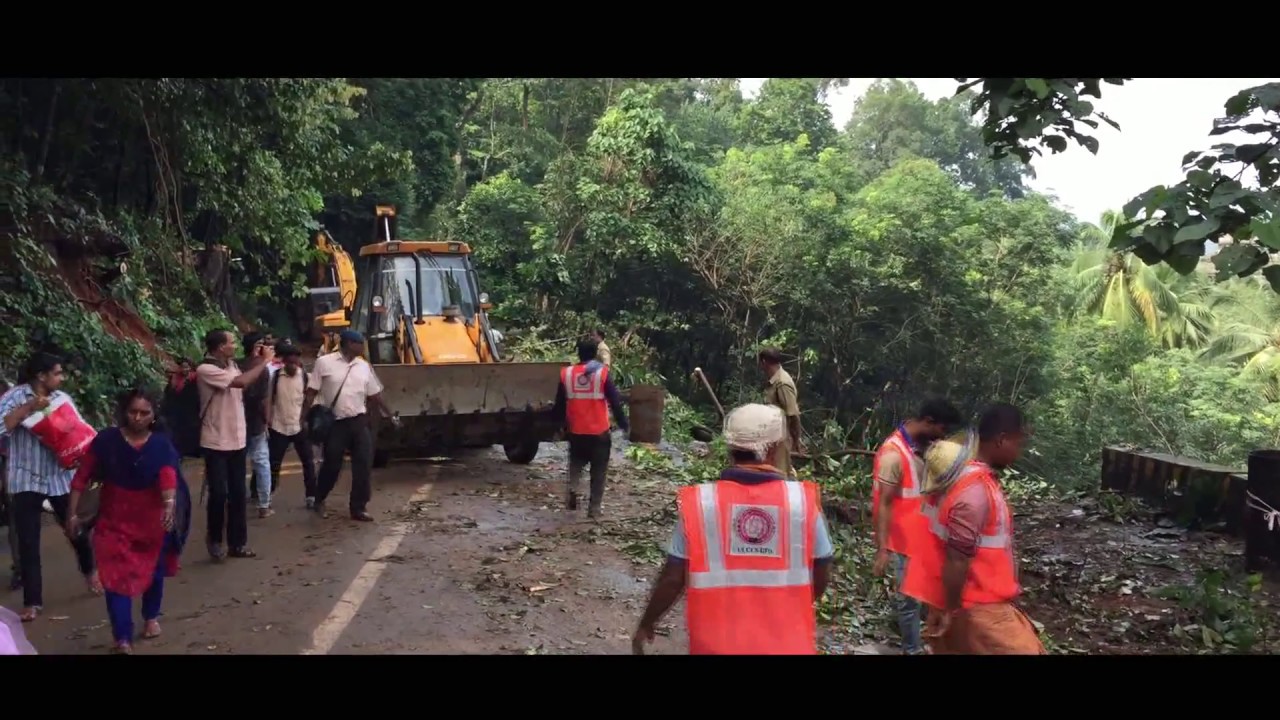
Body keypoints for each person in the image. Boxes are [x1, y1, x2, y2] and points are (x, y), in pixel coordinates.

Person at [632, 403, 834, 655]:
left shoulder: (702, 504)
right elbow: (822, 571)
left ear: (730, 449)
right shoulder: (801, 503)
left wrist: (647, 622)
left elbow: (673, 578)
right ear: (773, 448)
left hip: (717, 643)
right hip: (785, 643)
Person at [901, 403, 1047, 655]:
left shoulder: (962, 483)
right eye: (1018, 443)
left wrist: (942, 608)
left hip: (964, 603)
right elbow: (956, 558)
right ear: (1001, 440)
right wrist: (950, 610)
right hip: (979, 607)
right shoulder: (974, 492)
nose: (1019, 452)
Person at [66, 388, 192, 654]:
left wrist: (169, 507)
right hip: (113, 519)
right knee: (114, 577)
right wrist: (72, 513)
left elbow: (168, 475)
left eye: (144, 413)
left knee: (153, 571)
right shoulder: (106, 441)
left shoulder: (160, 444)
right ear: (124, 411)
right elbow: (82, 476)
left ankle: (150, 617)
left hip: (152, 520)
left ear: (154, 415)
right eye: (133, 411)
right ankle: (122, 637)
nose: (137, 417)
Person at [0, 353, 98, 621]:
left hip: (60, 476)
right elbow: (1, 426)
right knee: (28, 540)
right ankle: (33, 601)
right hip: (25, 477)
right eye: (56, 373)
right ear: (41, 376)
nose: (61, 378)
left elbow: (80, 433)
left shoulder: (61, 399)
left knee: (75, 529)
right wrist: (29, 408)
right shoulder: (14, 397)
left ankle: (90, 572)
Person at [871, 397, 963, 655]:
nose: (941, 438)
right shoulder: (893, 454)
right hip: (904, 541)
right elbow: (883, 503)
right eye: (941, 431)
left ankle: (919, 642)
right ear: (929, 422)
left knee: (923, 597)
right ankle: (911, 650)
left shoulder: (917, 450)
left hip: (921, 538)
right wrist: (882, 549)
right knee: (909, 601)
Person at [197, 329, 273, 561]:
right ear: (220, 347)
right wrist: (266, 362)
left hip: (237, 440)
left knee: (238, 494)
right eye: (231, 343)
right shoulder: (206, 369)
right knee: (219, 494)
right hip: (215, 441)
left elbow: (248, 377)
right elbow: (240, 383)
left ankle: (237, 544)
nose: (235, 346)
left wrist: (258, 358)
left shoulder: (232, 365)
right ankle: (215, 539)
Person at [304, 330, 396, 522]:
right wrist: (304, 418)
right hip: (335, 423)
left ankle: (359, 507)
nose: (362, 347)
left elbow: (374, 395)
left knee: (363, 464)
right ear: (348, 344)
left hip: (358, 421)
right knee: (332, 465)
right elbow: (311, 391)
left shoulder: (363, 366)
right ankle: (319, 499)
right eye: (359, 343)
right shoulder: (325, 363)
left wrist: (390, 414)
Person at [551, 339, 629, 519]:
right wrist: (624, 424)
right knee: (599, 471)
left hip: (576, 430)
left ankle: (573, 489)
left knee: (576, 463)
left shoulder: (567, 374)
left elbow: (559, 405)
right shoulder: (602, 373)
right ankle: (594, 509)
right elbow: (615, 402)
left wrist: (557, 427)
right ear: (595, 354)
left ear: (578, 353)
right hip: (599, 432)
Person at [267, 343, 317, 508]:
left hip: (299, 426)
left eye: (295, 361)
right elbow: (269, 400)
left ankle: (311, 495)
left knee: (308, 462)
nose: (292, 365)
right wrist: (268, 420)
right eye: (289, 362)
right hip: (278, 426)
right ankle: (268, 494)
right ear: (283, 361)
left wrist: (305, 419)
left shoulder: (305, 377)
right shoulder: (275, 378)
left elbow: (309, 400)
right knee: (274, 463)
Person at [241, 332, 274, 517]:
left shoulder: (237, 364)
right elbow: (265, 399)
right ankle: (264, 505)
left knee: (238, 463)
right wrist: (267, 420)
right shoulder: (263, 369)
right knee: (261, 463)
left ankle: (239, 498)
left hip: (236, 421)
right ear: (257, 347)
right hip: (255, 422)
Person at [758, 348, 802, 479]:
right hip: (771, 437)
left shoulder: (782, 383)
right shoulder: (774, 381)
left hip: (780, 437)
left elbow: (792, 414)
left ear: (764, 362)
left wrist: (796, 440)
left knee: (779, 474)